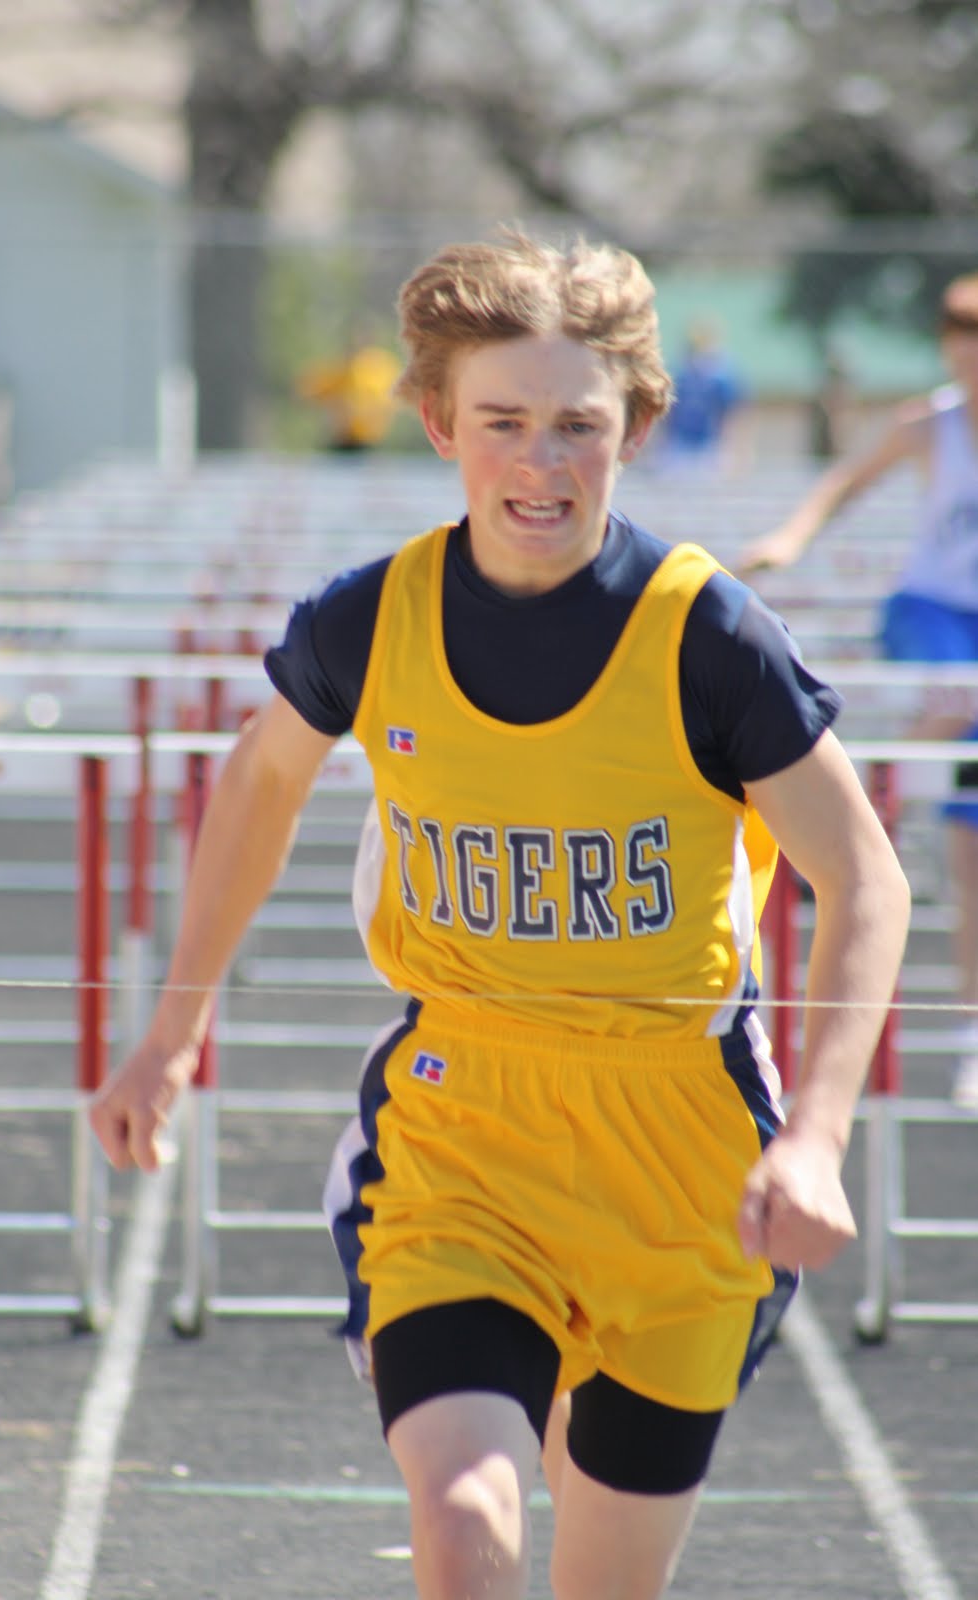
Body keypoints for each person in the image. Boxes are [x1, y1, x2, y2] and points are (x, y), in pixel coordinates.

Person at [90, 231, 910, 1600]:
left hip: (680, 1148)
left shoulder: (704, 635)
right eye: (503, 424)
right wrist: (167, 1033)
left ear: (633, 428)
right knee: (466, 1529)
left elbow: (864, 877)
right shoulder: (373, 619)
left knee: (602, 1572)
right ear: (436, 425)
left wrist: (817, 1138)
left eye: (576, 427)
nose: (540, 463)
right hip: (460, 1122)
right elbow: (256, 786)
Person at [739, 270, 978, 1111]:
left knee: (968, 833)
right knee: (954, 702)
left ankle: (969, 1032)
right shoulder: (928, 425)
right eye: (958, 340)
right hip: (932, 613)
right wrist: (790, 537)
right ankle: (868, 808)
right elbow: (844, 482)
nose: (968, 357)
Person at [656, 316, 749, 475]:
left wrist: (736, 451)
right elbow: (666, 412)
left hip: (710, 446)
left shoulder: (721, 376)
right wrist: (660, 444)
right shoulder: (679, 374)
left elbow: (731, 415)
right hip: (679, 444)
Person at [296, 336, 402, 451]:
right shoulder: (340, 369)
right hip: (340, 440)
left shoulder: (380, 369)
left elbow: (393, 399)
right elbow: (309, 391)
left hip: (368, 441)